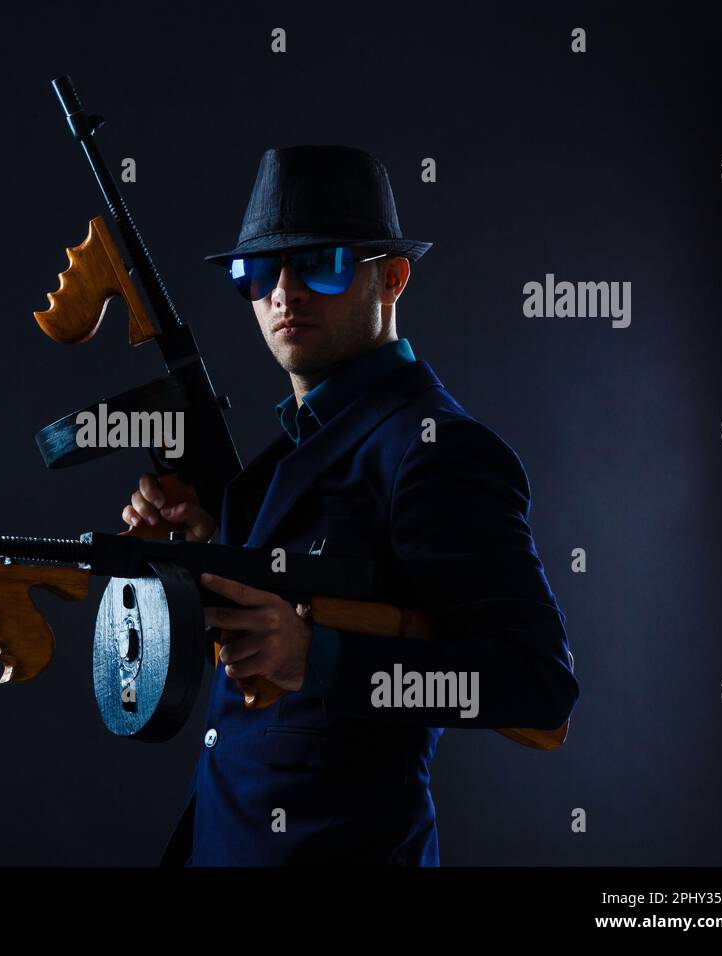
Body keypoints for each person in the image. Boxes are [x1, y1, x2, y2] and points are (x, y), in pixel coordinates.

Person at [126, 146, 579, 866]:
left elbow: (536, 688)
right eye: (257, 274)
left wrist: (321, 658)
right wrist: (203, 552)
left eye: (323, 263)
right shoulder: (288, 456)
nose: (285, 293)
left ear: (392, 277)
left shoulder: (436, 449)